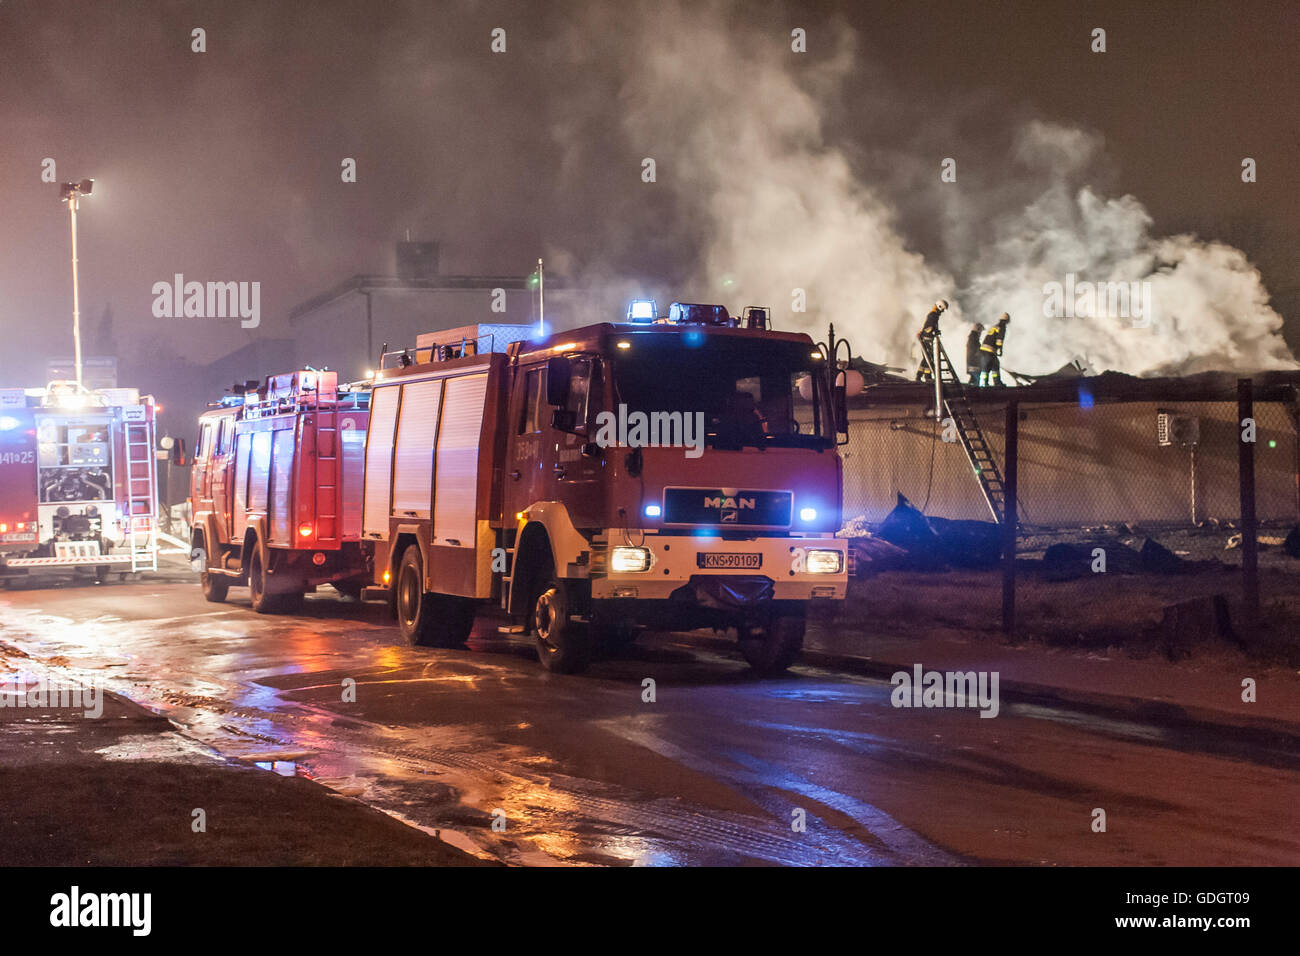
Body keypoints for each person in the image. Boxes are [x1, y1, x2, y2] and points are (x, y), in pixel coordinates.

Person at [915, 299, 948, 382]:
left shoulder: (934, 315)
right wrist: (934, 331)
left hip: (927, 339)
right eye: (943, 309)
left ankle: (922, 376)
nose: (943, 311)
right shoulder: (933, 315)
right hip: (927, 339)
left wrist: (936, 330)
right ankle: (925, 376)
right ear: (939, 307)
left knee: (927, 358)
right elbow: (928, 328)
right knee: (928, 358)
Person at [979, 313, 1011, 386]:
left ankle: (997, 382)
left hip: (984, 348)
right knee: (987, 366)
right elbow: (999, 339)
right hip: (989, 350)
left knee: (995, 364)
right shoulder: (1002, 327)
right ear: (1007, 320)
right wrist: (1000, 349)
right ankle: (984, 384)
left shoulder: (995, 326)